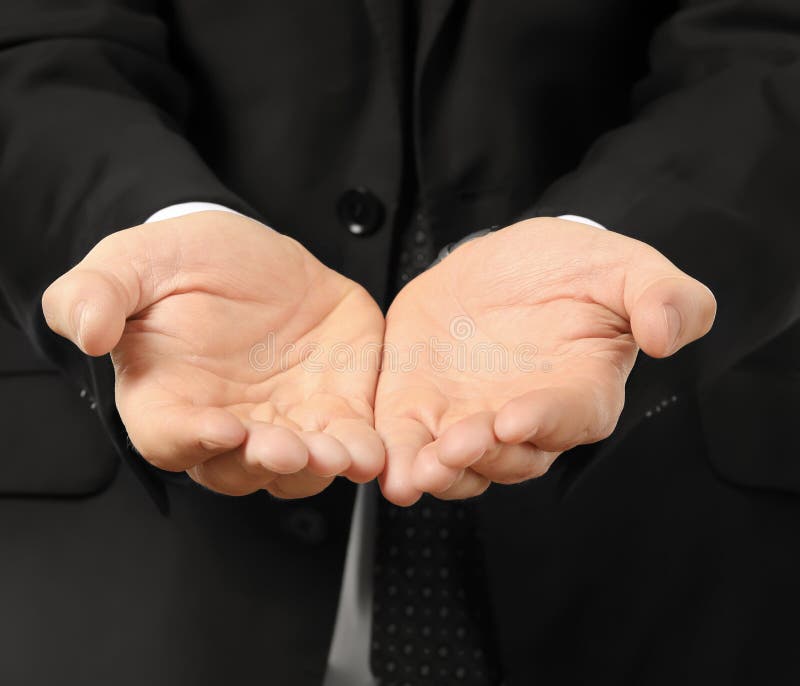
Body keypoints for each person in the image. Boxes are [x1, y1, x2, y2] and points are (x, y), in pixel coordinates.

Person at [0, 1, 797, 684]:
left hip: (674, 554)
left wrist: (617, 241)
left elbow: (773, 40)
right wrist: (158, 228)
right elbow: (33, 39)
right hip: (128, 569)